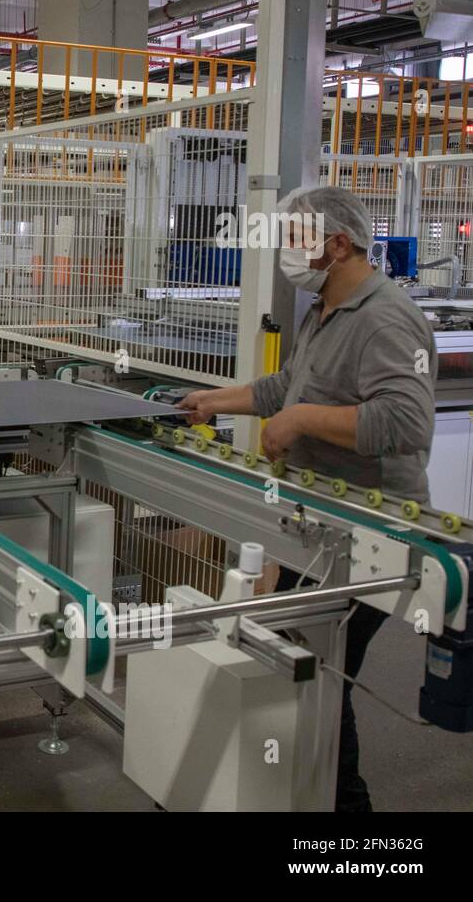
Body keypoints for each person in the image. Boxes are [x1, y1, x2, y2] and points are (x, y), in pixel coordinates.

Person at [179, 185, 436, 812]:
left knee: (318, 672)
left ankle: (347, 820)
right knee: (304, 663)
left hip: (368, 533)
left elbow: (406, 421)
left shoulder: (386, 317)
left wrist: (302, 421)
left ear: (338, 243)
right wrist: (213, 401)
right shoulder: (324, 309)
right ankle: (300, 795)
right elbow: (287, 386)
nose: (285, 256)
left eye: (295, 241)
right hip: (316, 523)